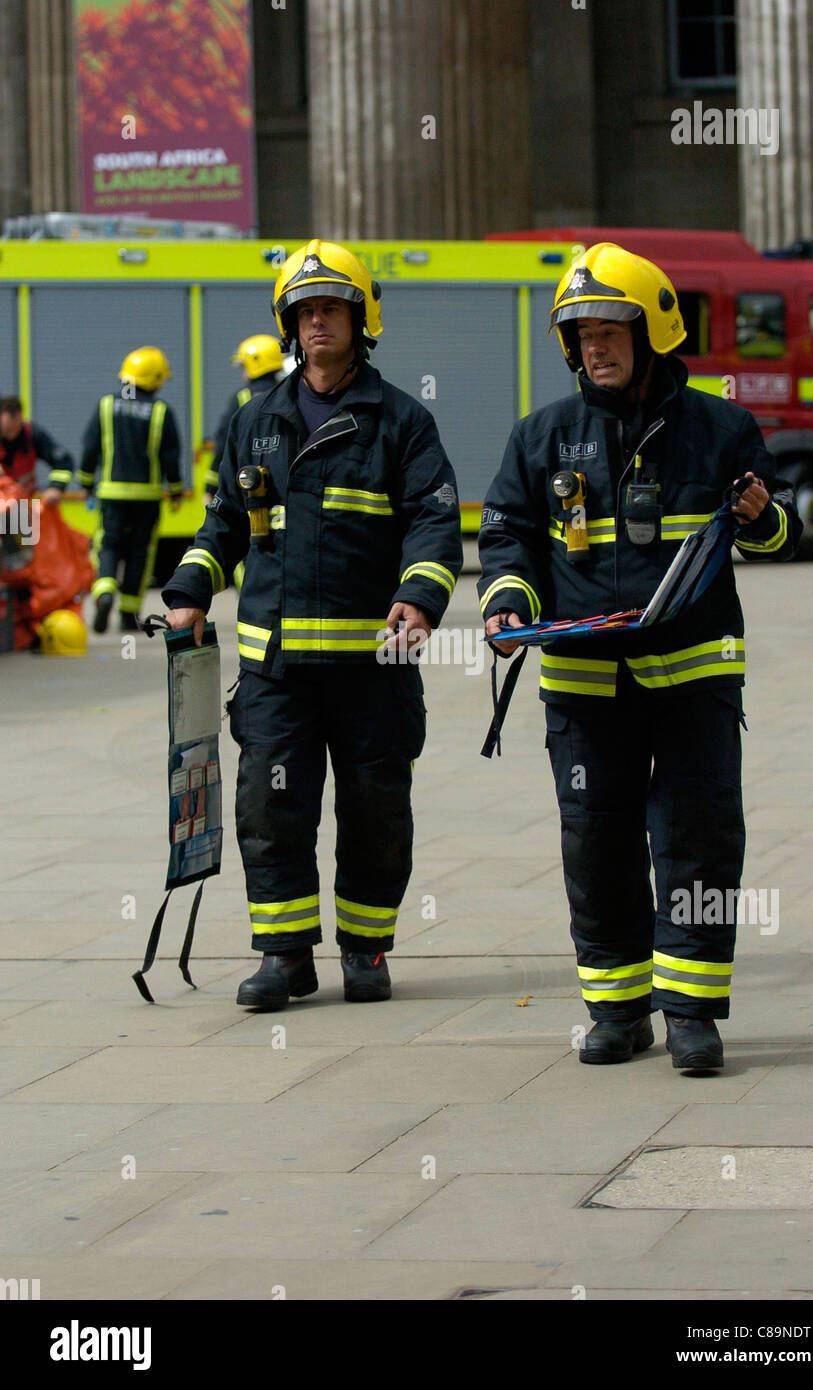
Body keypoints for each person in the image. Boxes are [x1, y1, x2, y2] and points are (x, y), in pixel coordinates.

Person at [478, 242, 801, 1073]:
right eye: (580, 332)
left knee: (694, 839)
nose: (594, 345)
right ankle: (615, 1009)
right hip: (585, 683)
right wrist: (508, 597)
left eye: (610, 328)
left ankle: (690, 1011)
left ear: (653, 329)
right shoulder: (542, 435)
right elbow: (506, 534)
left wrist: (763, 514)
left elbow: (778, 537)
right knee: (596, 840)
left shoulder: (722, 428)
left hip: (691, 676)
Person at [162, 239, 463, 1009]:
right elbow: (223, 522)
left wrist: (421, 596)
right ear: (288, 326)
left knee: (374, 807)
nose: (316, 322)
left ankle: (365, 951)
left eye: (330, 308)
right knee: (270, 809)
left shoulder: (400, 421)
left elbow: (433, 522)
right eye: (303, 311)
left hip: (372, 668)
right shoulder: (254, 420)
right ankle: (284, 957)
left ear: (361, 320)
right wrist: (190, 590)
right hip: (276, 673)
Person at [78, 348, 183, 632]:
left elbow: (90, 449)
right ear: (155, 378)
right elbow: (170, 457)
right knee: (140, 553)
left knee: (108, 547)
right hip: (147, 499)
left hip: (112, 495)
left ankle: (105, 592)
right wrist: (175, 491)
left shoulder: (106, 405)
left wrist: (86, 483)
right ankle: (128, 614)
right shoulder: (161, 411)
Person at [202, 335, 287, 505]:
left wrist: (211, 488)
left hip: (248, 483)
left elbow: (224, 443)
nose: (244, 374)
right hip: (285, 484)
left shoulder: (242, 398)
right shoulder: (290, 393)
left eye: (244, 367)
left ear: (256, 363)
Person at [0, 396, 74, 504]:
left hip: (22, 505)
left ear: (19, 416)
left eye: (11, 427)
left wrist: (56, 487)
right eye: (5, 429)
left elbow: (63, 462)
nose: (8, 432)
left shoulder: (34, 435)